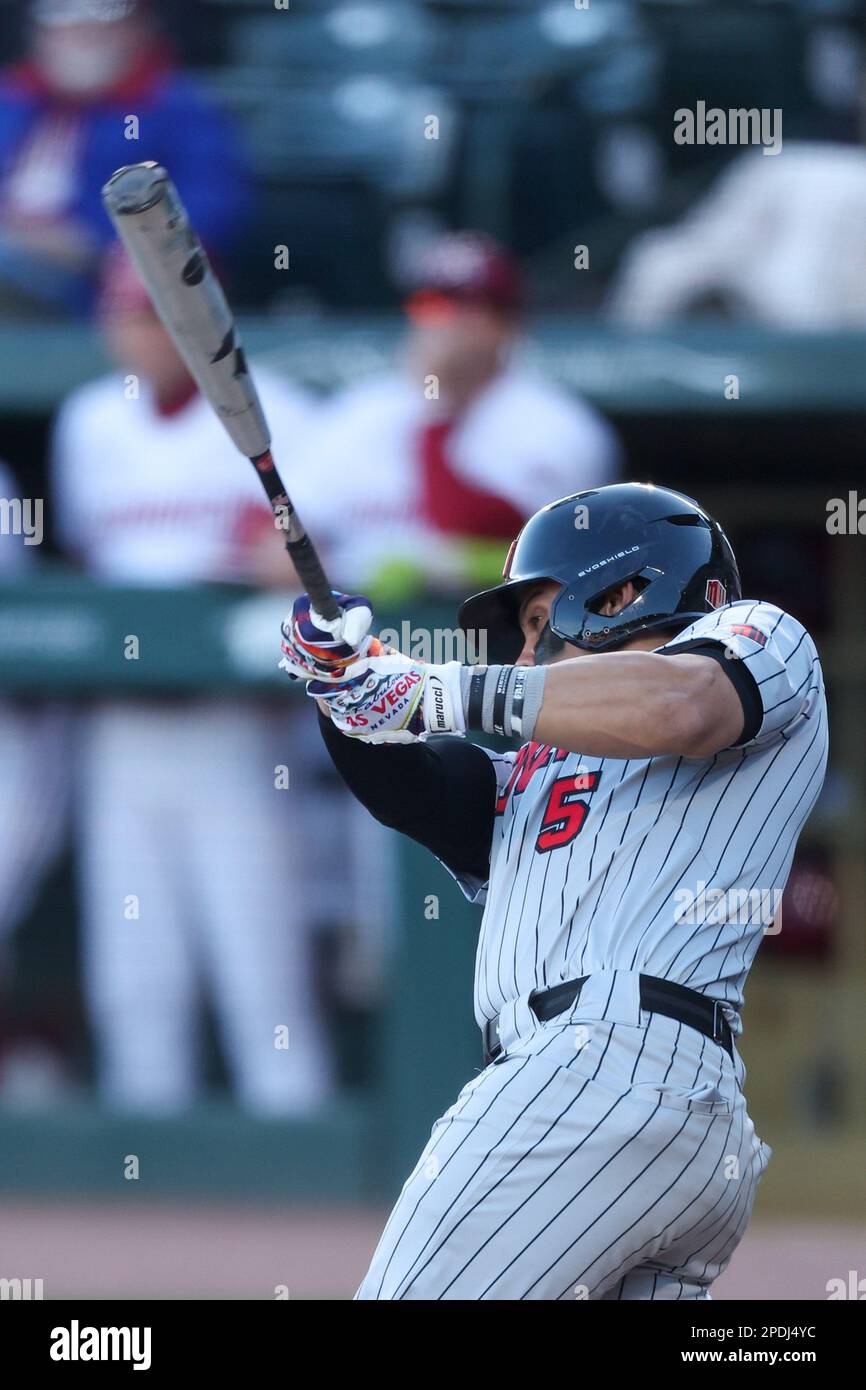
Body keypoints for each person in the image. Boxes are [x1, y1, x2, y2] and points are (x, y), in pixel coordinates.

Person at [279, 482, 828, 1299]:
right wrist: (344, 688)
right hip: (659, 1116)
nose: (524, 653)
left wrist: (435, 691)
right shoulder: (538, 762)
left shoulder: (752, 635)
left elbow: (681, 705)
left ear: (619, 593)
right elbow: (421, 788)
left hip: (596, 1070)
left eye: (538, 622)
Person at [51, 249, 330, 1114]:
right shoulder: (89, 421)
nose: (138, 333)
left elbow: (316, 570)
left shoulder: (277, 409)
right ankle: (153, 1207)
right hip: (120, 728)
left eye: (155, 314)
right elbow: (92, 563)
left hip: (238, 729)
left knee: (260, 968)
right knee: (134, 975)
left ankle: (296, 1165)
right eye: (126, 314)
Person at [292, 230, 621, 601]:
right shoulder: (363, 408)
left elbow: (480, 532)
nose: (444, 324)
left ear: (507, 326)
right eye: (432, 305)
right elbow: (280, 523)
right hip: (357, 619)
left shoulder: (556, 425)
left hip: (492, 633)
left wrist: (437, 409)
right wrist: (302, 561)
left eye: (468, 309)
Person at [0, 0, 250, 315]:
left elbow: (216, 203)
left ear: (137, 32)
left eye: (97, 33)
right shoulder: (11, 98)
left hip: (96, 277)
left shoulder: (176, 107)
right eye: (65, 31)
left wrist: (107, 244)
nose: (79, 44)